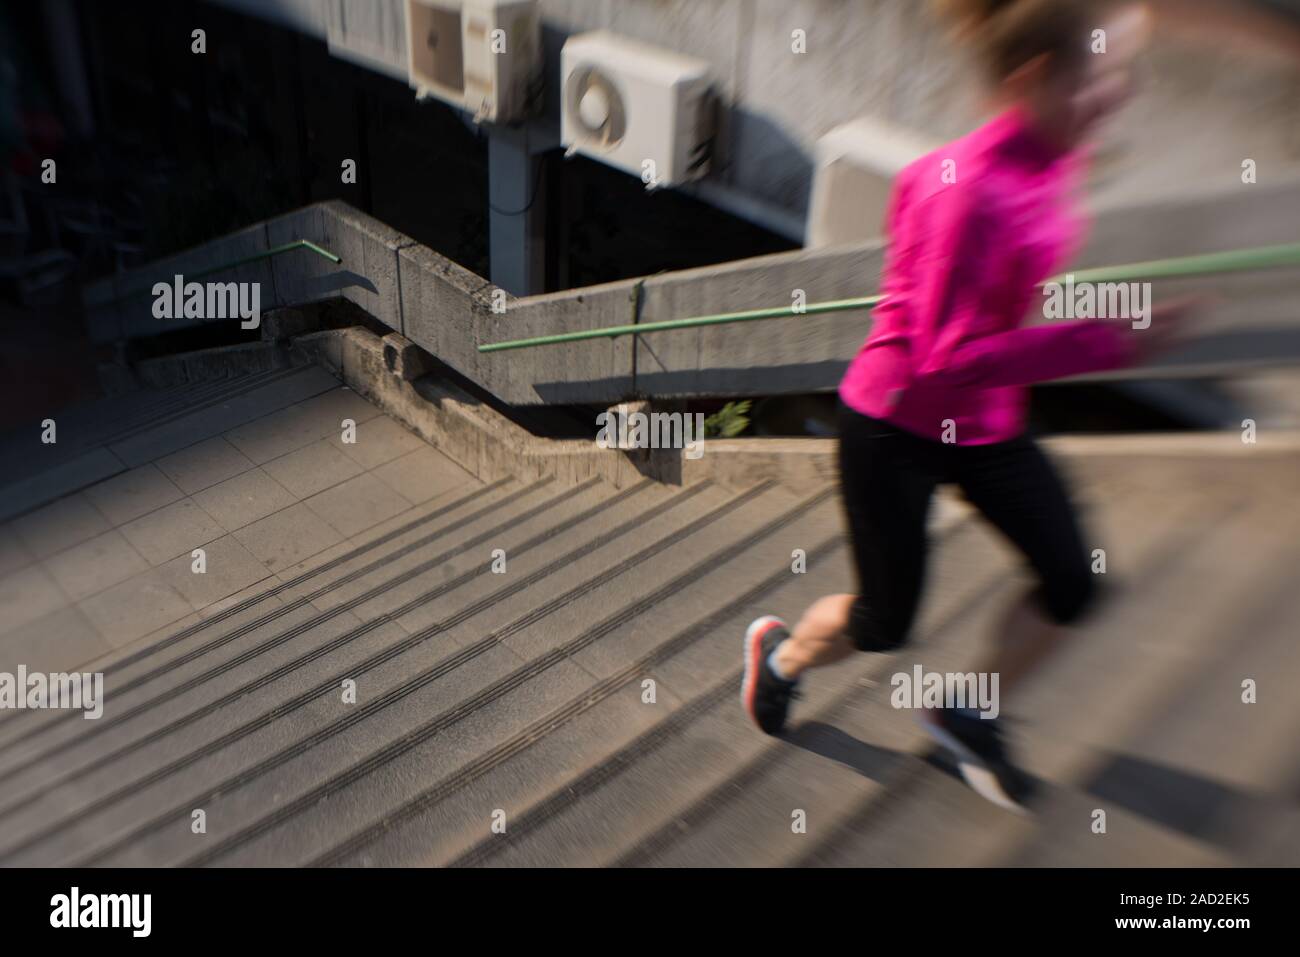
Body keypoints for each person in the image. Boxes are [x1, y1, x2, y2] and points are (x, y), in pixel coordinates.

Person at [742, 0, 1196, 811]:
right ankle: (779, 657)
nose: (1119, 95)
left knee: (1073, 582)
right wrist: (1105, 341)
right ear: (1035, 80)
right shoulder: (967, 189)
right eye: (1103, 78)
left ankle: (965, 713)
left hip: (987, 422)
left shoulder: (1056, 155)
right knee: (886, 621)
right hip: (894, 425)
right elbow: (945, 355)